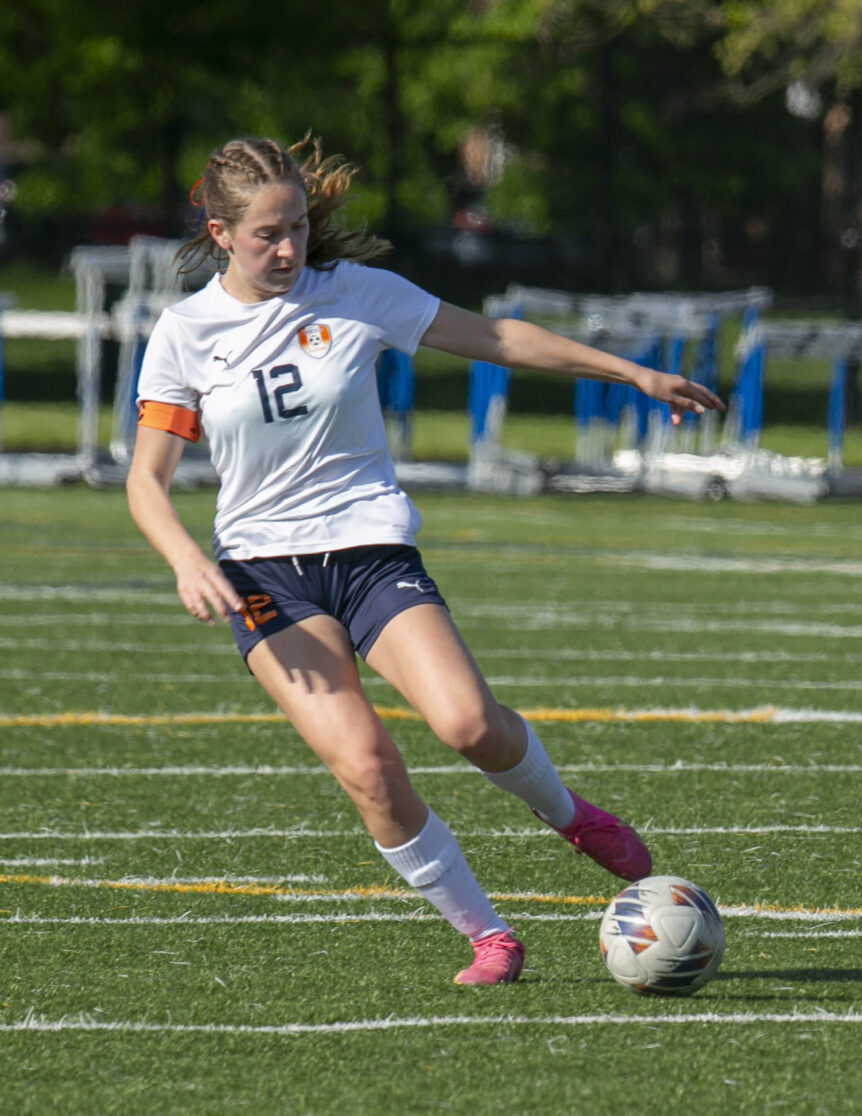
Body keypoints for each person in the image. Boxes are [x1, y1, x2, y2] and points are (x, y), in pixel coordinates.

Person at [126, 135, 724, 987]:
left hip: (370, 553)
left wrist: (631, 374)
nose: (289, 248)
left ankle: (570, 815)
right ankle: (489, 936)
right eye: (266, 234)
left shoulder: (359, 294)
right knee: (368, 767)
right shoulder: (186, 334)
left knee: (468, 725)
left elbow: (498, 338)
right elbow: (146, 482)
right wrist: (187, 559)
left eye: (296, 226)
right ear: (219, 233)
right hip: (263, 577)